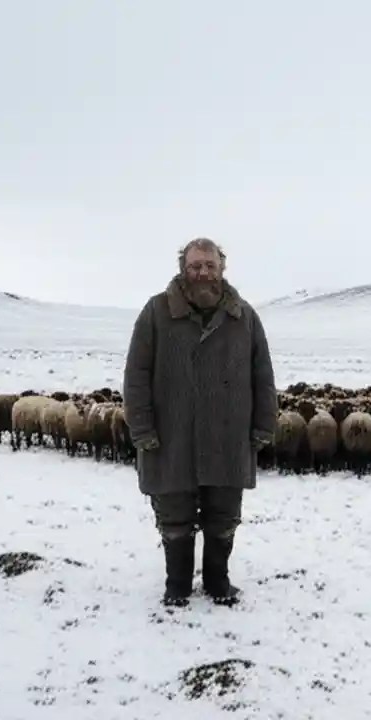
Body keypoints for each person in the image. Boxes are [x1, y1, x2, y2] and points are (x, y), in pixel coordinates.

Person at [123, 237, 278, 608]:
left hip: (227, 435)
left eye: (209, 265)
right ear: (183, 269)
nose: (202, 272)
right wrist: (141, 428)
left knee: (223, 514)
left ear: (222, 268)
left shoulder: (244, 317)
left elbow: (263, 376)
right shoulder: (156, 312)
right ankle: (176, 584)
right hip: (171, 435)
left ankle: (217, 581)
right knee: (173, 514)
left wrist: (263, 426)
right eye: (195, 266)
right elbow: (136, 375)